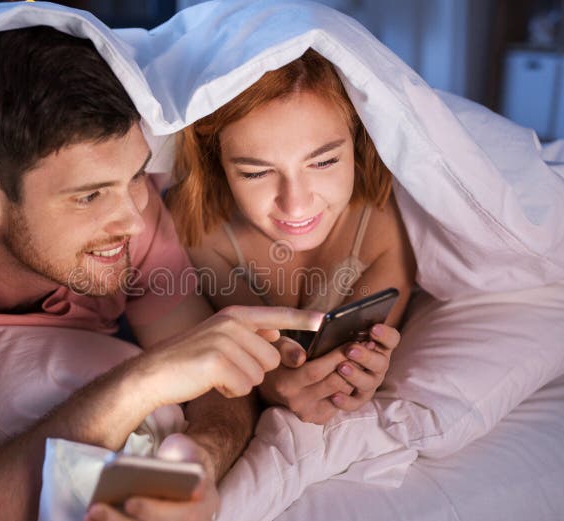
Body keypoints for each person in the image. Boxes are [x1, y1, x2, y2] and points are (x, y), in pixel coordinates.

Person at [0, 26, 321, 521]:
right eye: (89, 196)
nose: (134, 222)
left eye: (136, 176)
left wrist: (198, 457)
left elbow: (207, 367)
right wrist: (141, 384)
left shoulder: (129, 220)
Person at [167, 48, 416, 424]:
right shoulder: (201, 226)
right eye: (255, 173)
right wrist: (272, 382)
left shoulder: (390, 220)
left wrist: (360, 372)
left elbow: (355, 360)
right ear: (216, 162)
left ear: (358, 142)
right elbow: (251, 351)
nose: (296, 206)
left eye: (324, 161)